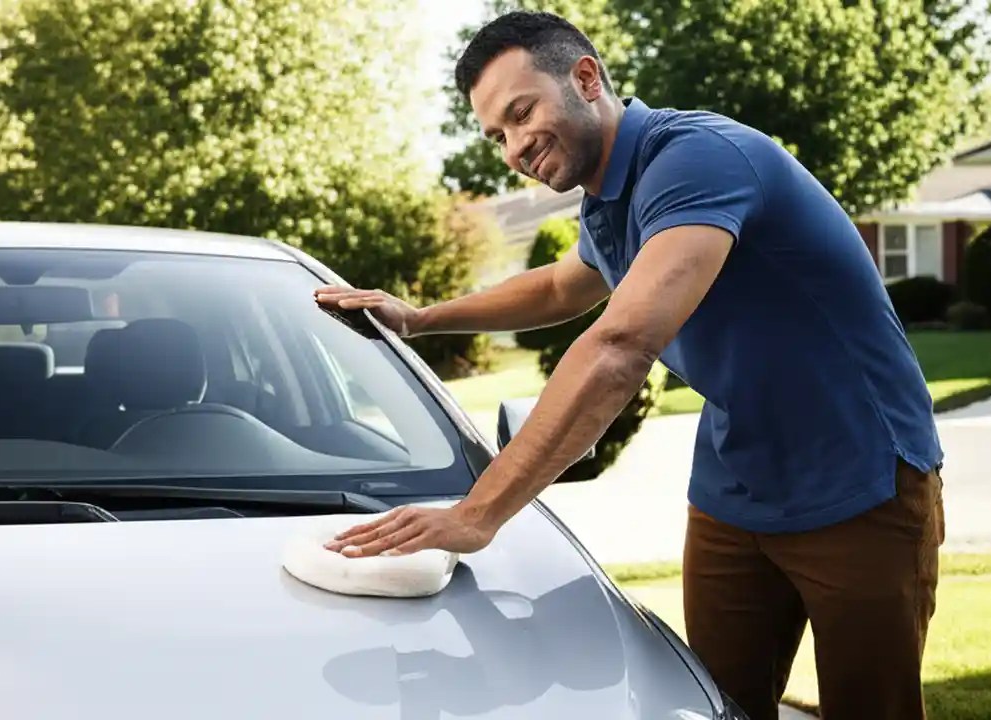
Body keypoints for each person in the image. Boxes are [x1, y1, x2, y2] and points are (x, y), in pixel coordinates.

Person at [314, 10, 945, 720]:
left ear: (586, 78)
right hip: (736, 489)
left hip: (858, 481)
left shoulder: (696, 160)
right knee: (711, 705)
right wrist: (425, 319)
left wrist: (477, 514)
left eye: (522, 114)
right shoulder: (607, 195)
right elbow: (564, 284)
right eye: (498, 135)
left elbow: (620, 346)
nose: (515, 148)